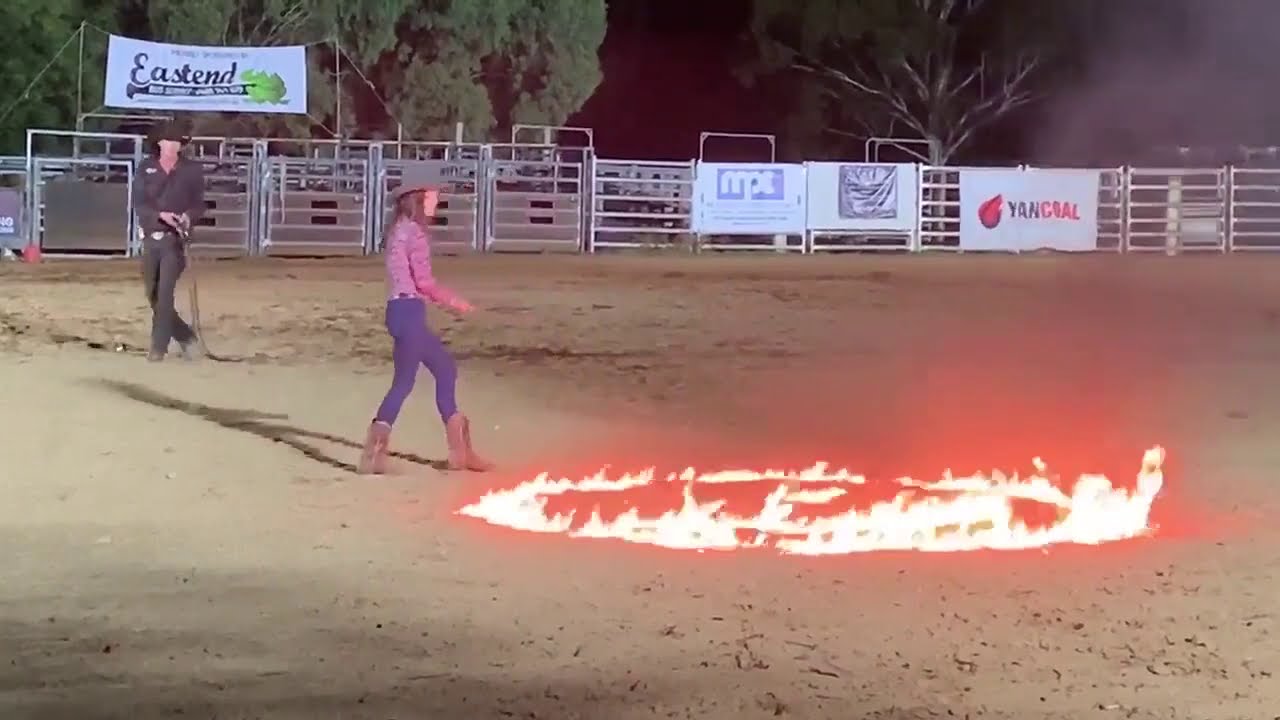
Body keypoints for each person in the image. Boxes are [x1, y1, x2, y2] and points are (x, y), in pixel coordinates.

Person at [358, 166, 492, 474]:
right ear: (418, 197)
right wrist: (457, 302)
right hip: (410, 312)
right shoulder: (415, 233)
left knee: (435, 371)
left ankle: (454, 453)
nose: (437, 201)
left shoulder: (397, 229)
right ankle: (455, 453)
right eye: (433, 195)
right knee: (412, 380)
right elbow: (425, 282)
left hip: (399, 311)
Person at [132, 119, 206, 362]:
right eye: (168, 141)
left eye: (177, 141)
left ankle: (158, 347)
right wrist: (158, 216)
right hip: (151, 239)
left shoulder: (192, 170)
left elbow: (199, 204)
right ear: (159, 143)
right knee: (152, 294)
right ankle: (185, 336)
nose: (172, 146)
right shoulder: (146, 168)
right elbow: (139, 203)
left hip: (176, 241)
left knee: (164, 294)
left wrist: (186, 217)